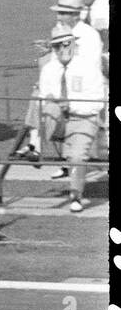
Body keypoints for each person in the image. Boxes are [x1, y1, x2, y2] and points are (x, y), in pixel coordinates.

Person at [15, 0, 105, 164]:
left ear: (76, 15)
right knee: (40, 94)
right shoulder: (61, 32)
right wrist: (47, 53)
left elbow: (89, 68)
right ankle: (36, 144)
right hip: (61, 87)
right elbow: (56, 64)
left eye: (64, 13)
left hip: (80, 89)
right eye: (59, 13)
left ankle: (37, 145)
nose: (59, 17)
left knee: (45, 98)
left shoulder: (89, 35)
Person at [36, 29, 106, 213]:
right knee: (38, 102)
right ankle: (33, 146)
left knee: (76, 156)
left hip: (84, 119)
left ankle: (76, 196)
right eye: (57, 46)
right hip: (57, 120)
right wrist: (51, 102)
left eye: (66, 44)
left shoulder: (88, 68)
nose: (62, 49)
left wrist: (71, 105)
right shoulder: (49, 69)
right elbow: (44, 97)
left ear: (74, 45)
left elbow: (97, 102)